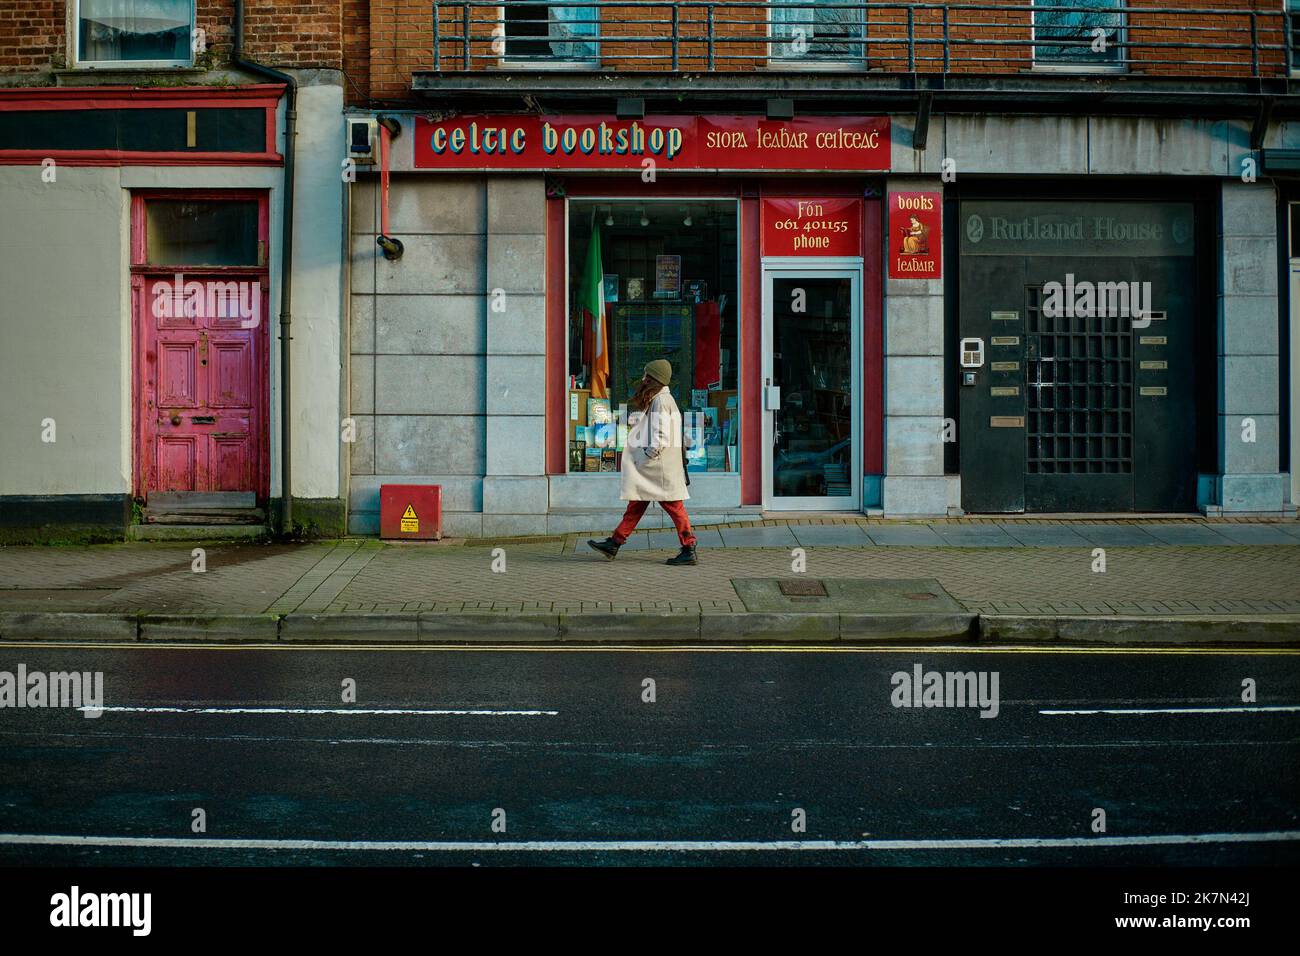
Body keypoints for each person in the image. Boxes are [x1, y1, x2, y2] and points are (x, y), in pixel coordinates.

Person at [588, 359, 698, 566]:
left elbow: (662, 437)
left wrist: (646, 456)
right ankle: (614, 542)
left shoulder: (661, 402)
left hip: (657, 469)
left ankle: (689, 547)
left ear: (654, 379)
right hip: (657, 469)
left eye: (647, 376)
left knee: (673, 506)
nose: (643, 379)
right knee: (637, 504)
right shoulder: (664, 400)